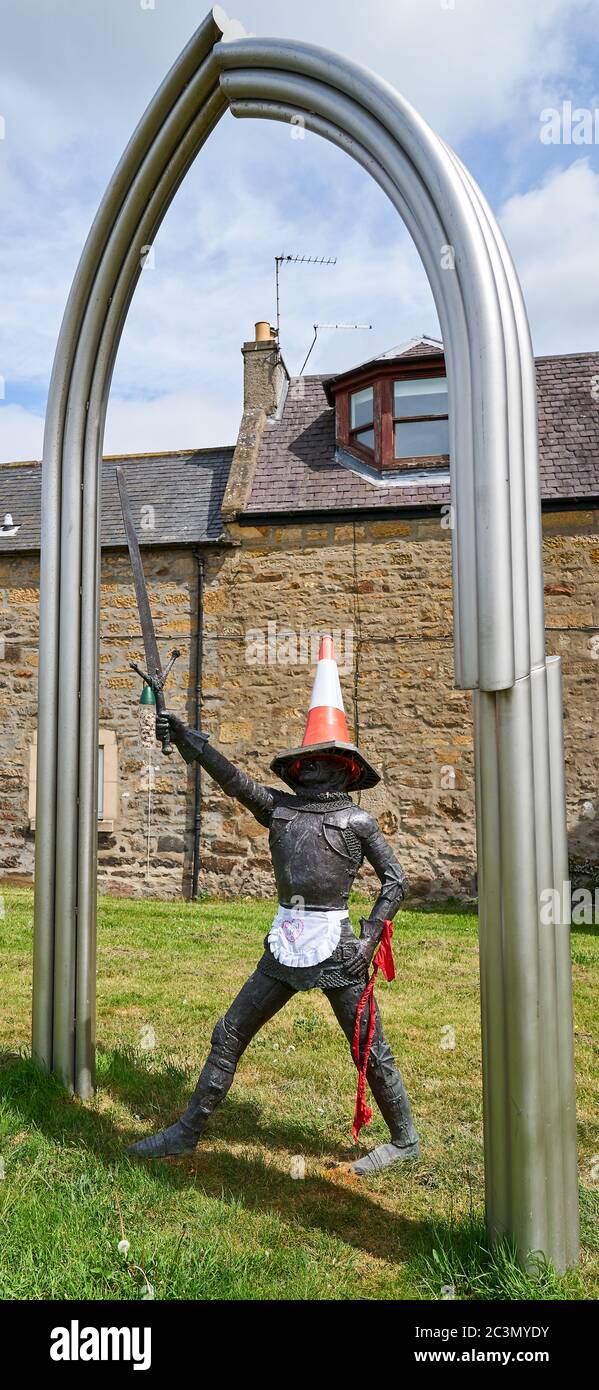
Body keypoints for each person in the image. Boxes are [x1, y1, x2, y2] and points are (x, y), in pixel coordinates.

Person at [128, 636, 419, 1174]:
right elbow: (234, 780)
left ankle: (404, 1139)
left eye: (325, 761)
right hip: (285, 941)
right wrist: (190, 740)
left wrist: (371, 937)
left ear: (347, 770)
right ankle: (188, 1131)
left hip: (338, 947)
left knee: (366, 1044)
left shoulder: (357, 821)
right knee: (230, 1031)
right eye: (308, 761)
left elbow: (395, 881)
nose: (314, 769)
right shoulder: (279, 810)